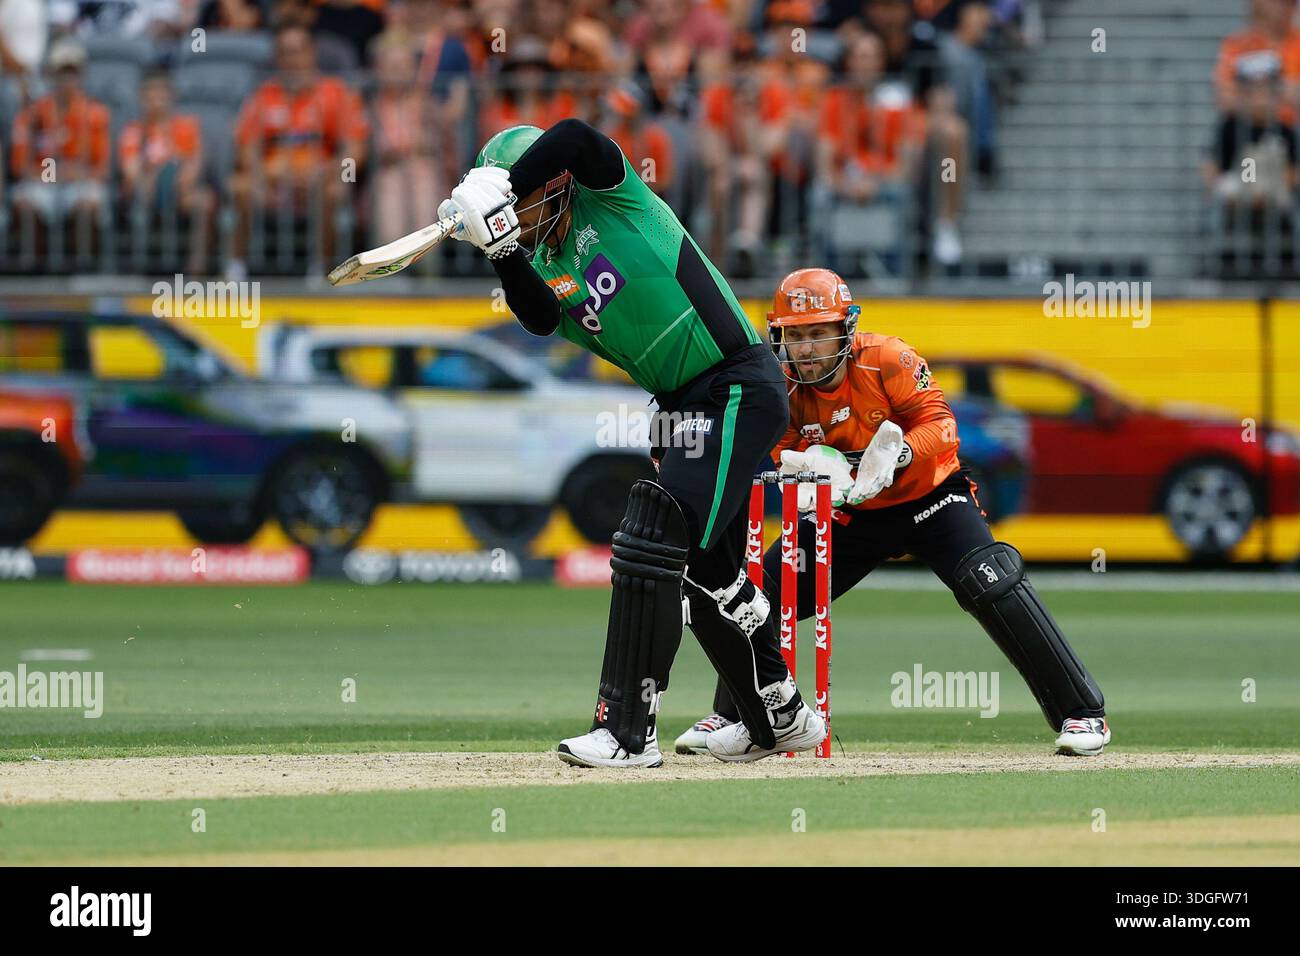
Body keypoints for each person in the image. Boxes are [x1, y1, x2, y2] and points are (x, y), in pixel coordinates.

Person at [438, 119, 825, 767]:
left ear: (552, 186)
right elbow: (535, 318)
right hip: (678, 408)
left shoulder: (614, 195)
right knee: (704, 573)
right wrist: (503, 249)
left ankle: (626, 731)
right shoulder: (546, 266)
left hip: (734, 383)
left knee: (654, 536)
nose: (520, 215)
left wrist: (502, 184)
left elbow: (576, 135)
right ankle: (777, 715)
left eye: (525, 200)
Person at [675, 268, 1113, 757]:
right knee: (761, 593)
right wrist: (815, 472)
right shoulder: (776, 383)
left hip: (931, 497)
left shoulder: (886, 358)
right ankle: (738, 712)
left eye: (818, 332)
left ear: (847, 327)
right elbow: (783, 446)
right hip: (849, 514)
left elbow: (942, 425)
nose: (805, 348)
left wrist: (898, 453)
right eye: (794, 335)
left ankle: (1082, 714)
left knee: (989, 579)